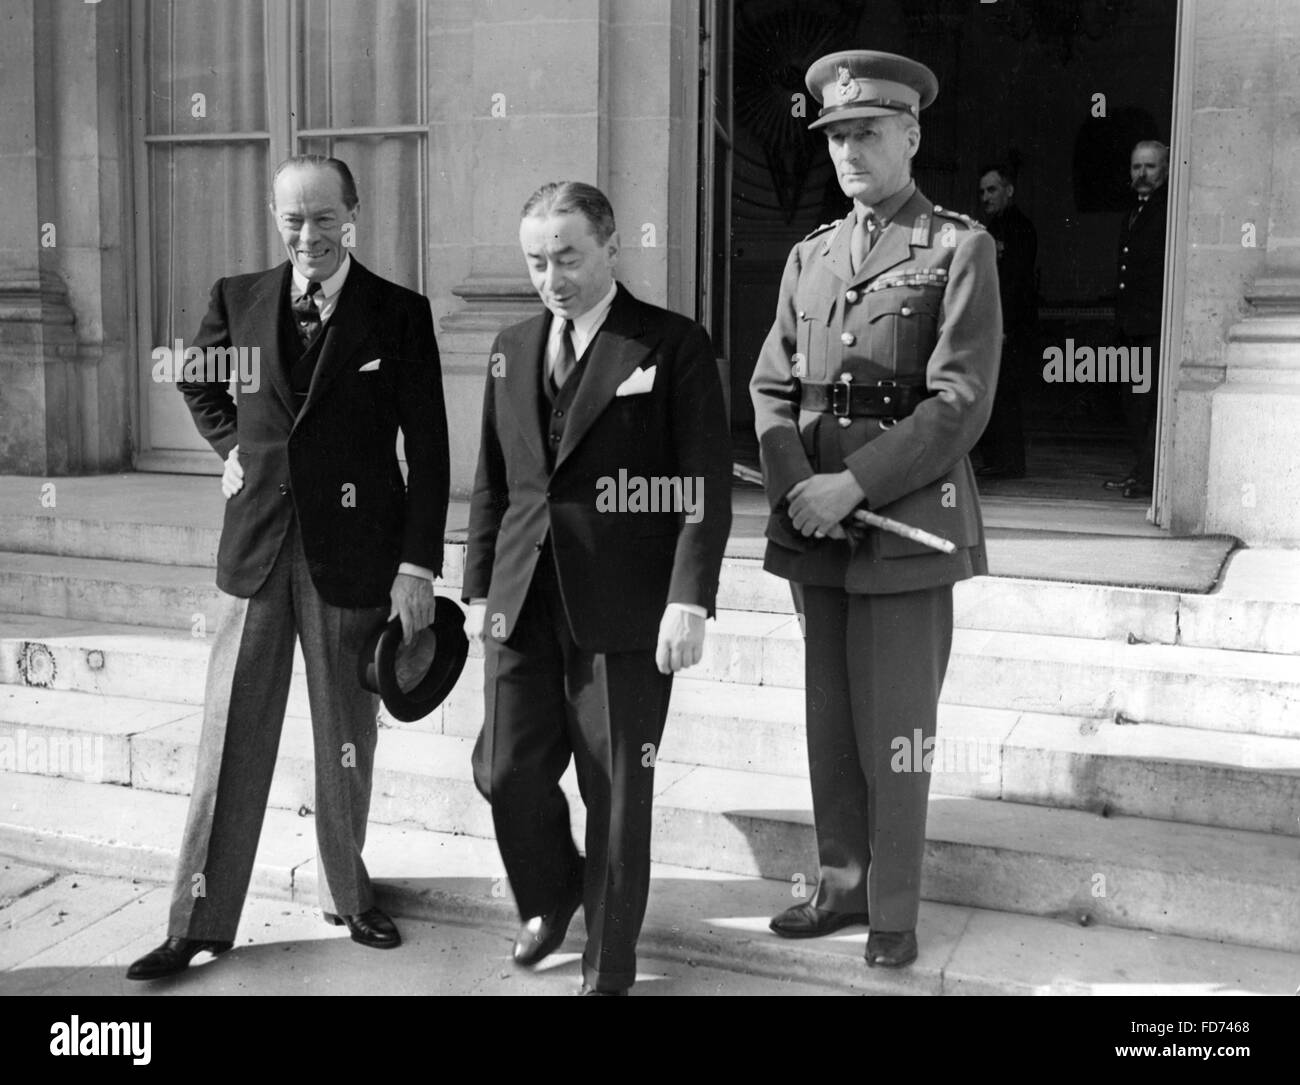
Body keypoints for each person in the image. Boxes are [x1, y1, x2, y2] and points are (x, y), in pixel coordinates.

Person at [126, 155, 450, 980]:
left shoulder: (398, 314)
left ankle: (350, 894)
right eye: (293, 220)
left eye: (324, 218)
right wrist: (232, 446)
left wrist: (419, 563)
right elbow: (199, 382)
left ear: (354, 215)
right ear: (277, 220)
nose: (309, 235)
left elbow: (434, 450)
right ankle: (197, 918)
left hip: (356, 555)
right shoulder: (237, 299)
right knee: (228, 735)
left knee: (346, 734)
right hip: (258, 548)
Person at [750, 51, 1000, 969]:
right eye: (838, 135)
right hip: (813, 523)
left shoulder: (958, 247)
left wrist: (853, 485)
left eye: (868, 132)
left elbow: (960, 401)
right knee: (829, 717)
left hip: (905, 522)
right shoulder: (810, 254)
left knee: (895, 725)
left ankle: (893, 906)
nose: (850, 150)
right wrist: (795, 491)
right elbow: (772, 387)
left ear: (912, 135)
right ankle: (841, 881)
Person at [464, 181, 731, 996]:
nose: (553, 277)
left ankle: (607, 968)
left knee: (615, 787)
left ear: (614, 247)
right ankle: (551, 891)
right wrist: (480, 585)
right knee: (502, 768)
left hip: (627, 606)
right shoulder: (511, 344)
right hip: (523, 595)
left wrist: (690, 596)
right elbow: (494, 478)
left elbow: (704, 482)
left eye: (569, 257)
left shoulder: (670, 344)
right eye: (538, 262)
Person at [1104, 140, 1168, 500]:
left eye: (1150, 167)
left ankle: (1147, 478)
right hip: (1131, 326)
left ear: (1166, 169)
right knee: (1133, 402)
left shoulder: (1166, 210)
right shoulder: (1134, 211)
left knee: (1146, 404)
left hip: (1153, 325)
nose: (1141, 175)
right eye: (1136, 167)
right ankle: (1140, 472)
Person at [975, 163, 1037, 479]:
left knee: (1006, 395)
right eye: (983, 191)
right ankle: (998, 460)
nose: (986, 197)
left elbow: (1016, 282)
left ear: (1008, 190)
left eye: (993, 189)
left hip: (1009, 326)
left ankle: (1009, 463)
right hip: (995, 325)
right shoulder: (993, 227)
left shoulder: (1020, 228)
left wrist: (1004, 325)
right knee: (994, 393)